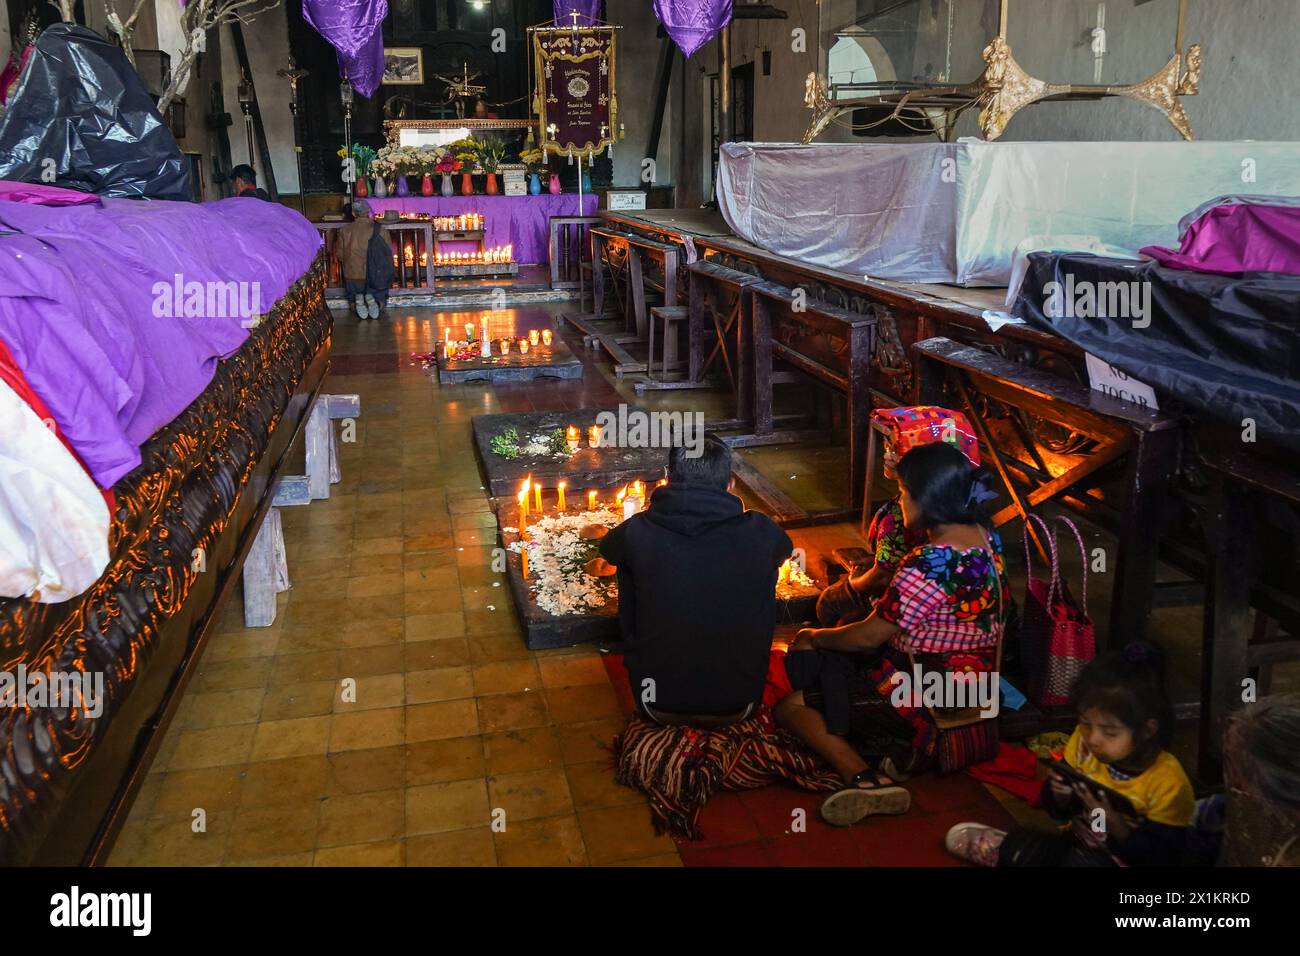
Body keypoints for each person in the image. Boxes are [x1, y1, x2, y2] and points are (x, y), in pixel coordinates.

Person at [776, 442, 1009, 826]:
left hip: (924, 694)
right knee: (844, 634)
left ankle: (866, 779)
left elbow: (869, 637)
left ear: (927, 500)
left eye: (903, 494)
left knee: (792, 707)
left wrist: (814, 636)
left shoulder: (929, 563)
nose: (900, 503)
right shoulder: (987, 538)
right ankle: (894, 752)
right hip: (975, 684)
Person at [945, 641, 1195, 866]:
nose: (1093, 739)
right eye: (1086, 723)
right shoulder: (1084, 743)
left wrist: (1118, 826)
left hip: (1121, 859)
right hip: (1078, 845)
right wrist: (1059, 795)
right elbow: (1058, 812)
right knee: (1023, 845)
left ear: (1147, 730)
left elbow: (1163, 858)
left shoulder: (1168, 783)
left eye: (1110, 732)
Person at [599, 435, 793, 720]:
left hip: (654, 702)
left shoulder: (636, 531)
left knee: (629, 562)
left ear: (667, 479)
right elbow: (784, 551)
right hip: (740, 702)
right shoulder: (763, 532)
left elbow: (607, 550)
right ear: (730, 485)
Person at [336, 200, 394, 321]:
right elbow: (388, 254)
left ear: (353, 213)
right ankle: (376, 303)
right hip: (376, 276)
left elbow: (340, 255)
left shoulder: (345, 231)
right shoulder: (380, 229)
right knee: (381, 297)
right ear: (368, 212)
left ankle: (357, 302)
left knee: (352, 297)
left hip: (353, 275)